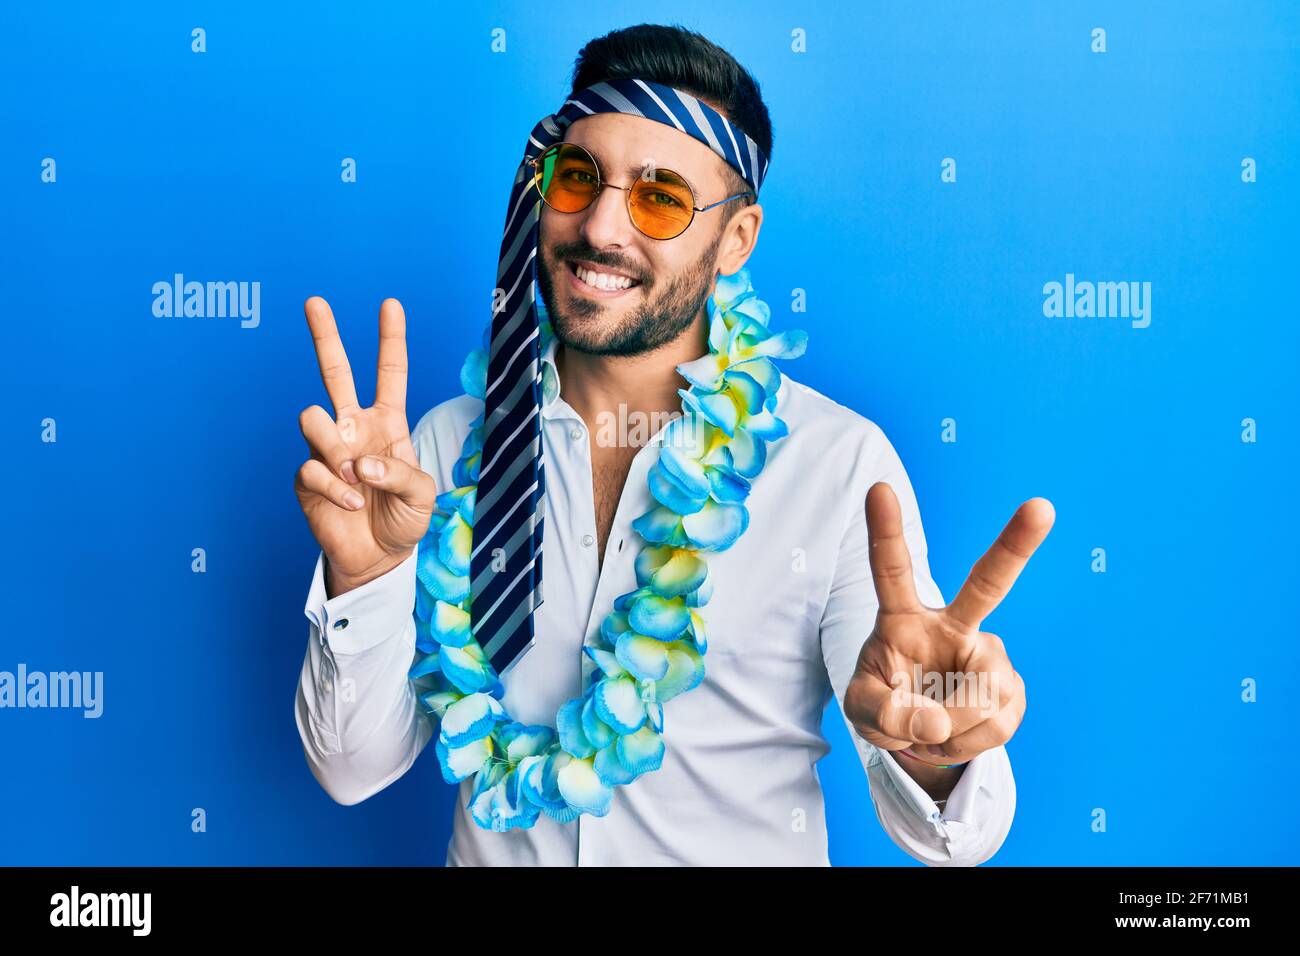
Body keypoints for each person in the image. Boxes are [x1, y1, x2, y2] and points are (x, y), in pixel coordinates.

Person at [292, 23, 1053, 866]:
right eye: (578, 178)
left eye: (660, 198)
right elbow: (351, 770)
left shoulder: (836, 467)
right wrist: (365, 577)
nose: (601, 228)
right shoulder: (438, 453)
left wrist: (932, 745)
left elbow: (954, 834)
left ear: (736, 239)